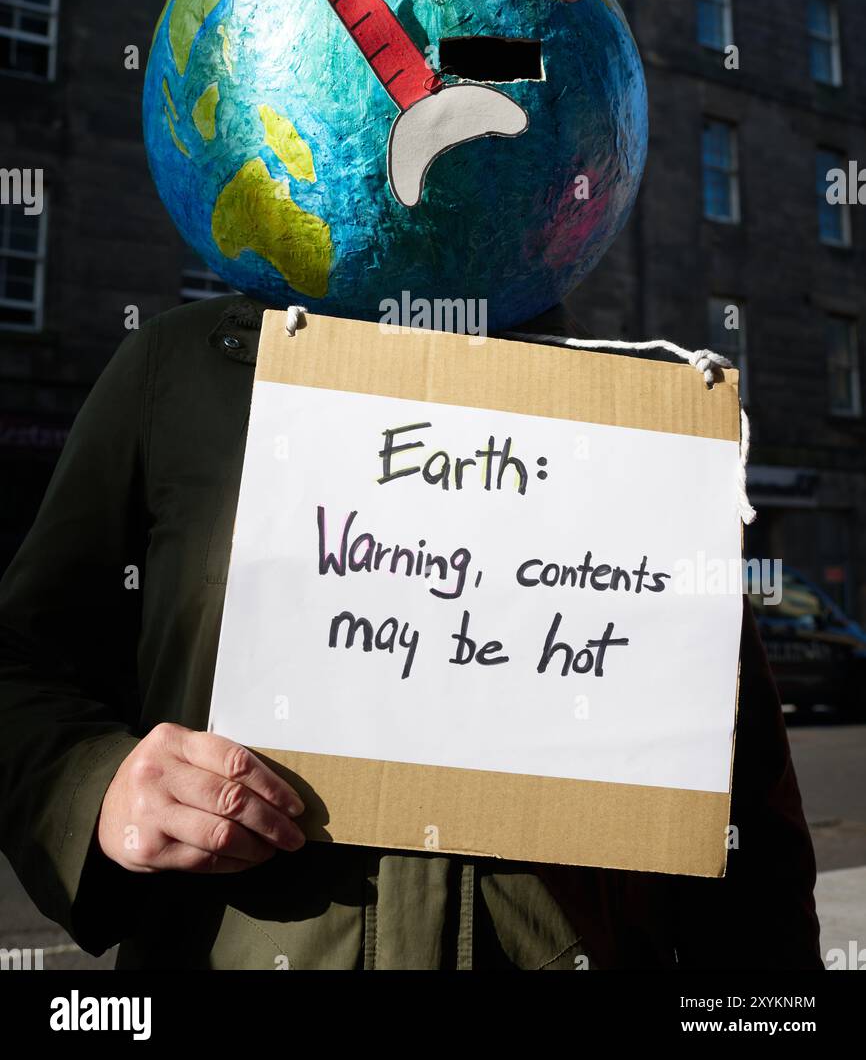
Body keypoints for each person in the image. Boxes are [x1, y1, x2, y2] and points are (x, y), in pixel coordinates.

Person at [0, 292, 822, 970]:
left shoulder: (641, 410)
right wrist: (96, 787)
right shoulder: (183, 364)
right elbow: (21, 663)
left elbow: (750, 836)